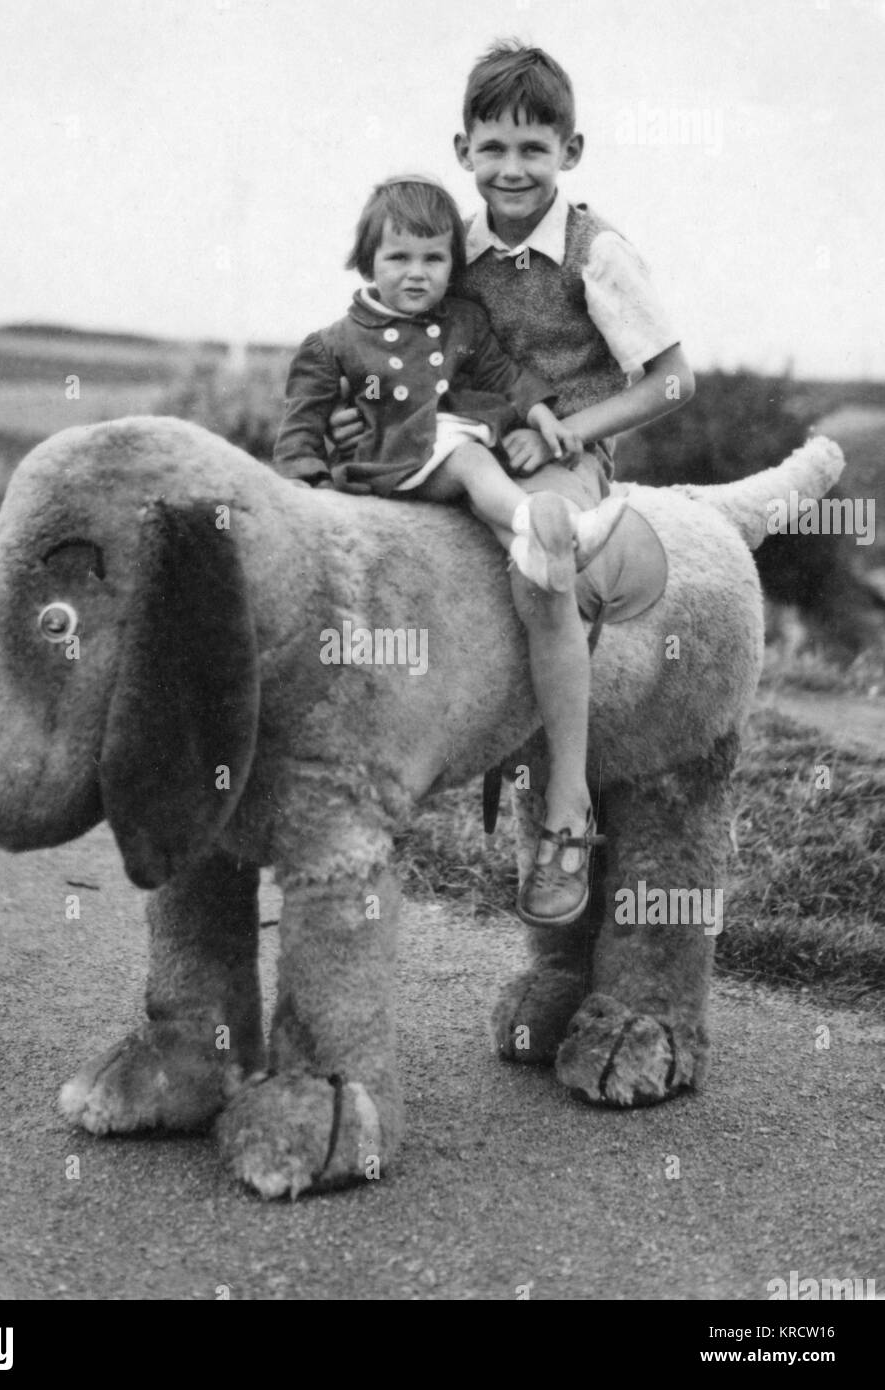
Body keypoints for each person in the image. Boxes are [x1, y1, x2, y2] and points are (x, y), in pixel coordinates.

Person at [328, 43, 695, 928]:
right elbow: (400, 341)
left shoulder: (595, 252)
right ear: (463, 151)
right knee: (343, 543)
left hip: (567, 451)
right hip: (458, 439)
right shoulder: (450, 240)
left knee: (540, 570)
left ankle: (565, 812)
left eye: (534, 149)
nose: (512, 169)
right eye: (493, 149)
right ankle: (347, 789)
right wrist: (360, 415)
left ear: (570, 152)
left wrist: (570, 431)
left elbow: (673, 380)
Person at [272, 174, 624, 605]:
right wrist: (311, 487)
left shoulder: (463, 322)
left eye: (433, 259)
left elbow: (505, 376)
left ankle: (529, 551)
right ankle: (551, 527)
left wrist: (542, 416)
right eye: (398, 258)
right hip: (390, 460)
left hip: (446, 446)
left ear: (452, 264)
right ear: (369, 261)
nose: (416, 274)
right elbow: (301, 427)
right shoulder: (334, 344)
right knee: (472, 462)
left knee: (484, 480)